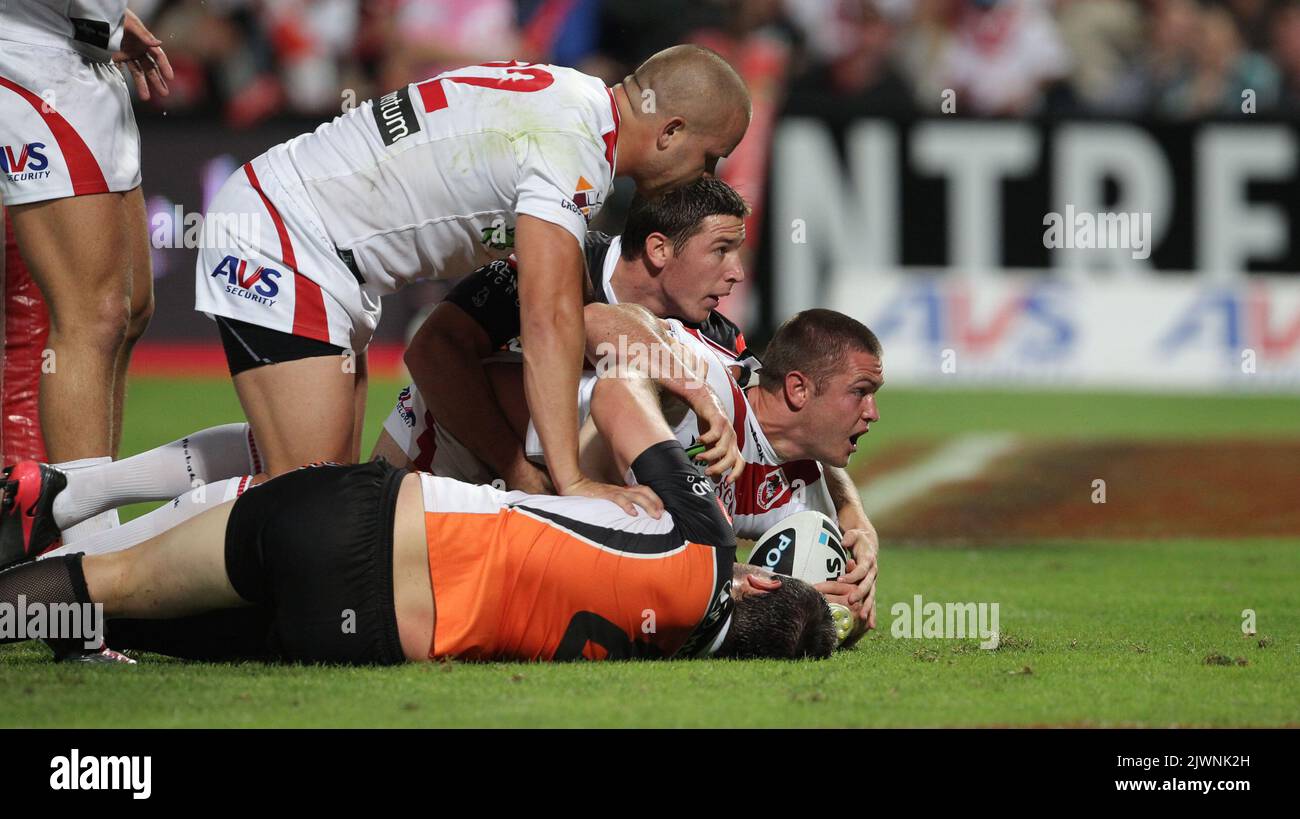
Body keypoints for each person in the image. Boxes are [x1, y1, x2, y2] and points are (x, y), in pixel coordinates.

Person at [195, 45, 752, 521]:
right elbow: (549, 318)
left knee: (328, 490)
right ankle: (111, 578)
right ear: (670, 131)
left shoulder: (574, 103)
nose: (709, 177)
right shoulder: (574, 145)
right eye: (711, 157)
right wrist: (570, 483)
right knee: (308, 505)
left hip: (315, 243)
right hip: (289, 237)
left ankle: (107, 496)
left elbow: (572, 303)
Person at [0, 360, 837, 664]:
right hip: (361, 639)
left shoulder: (708, 543)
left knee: (101, 580)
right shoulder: (665, 652)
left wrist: (687, 387)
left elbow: (618, 388)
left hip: (373, 520)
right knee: (114, 622)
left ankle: (65, 506)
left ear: (760, 586)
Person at [374, 176, 752, 493]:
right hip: (441, 461)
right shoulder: (554, 260)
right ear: (658, 249)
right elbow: (431, 351)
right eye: (721, 250)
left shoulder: (720, 340)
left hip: (561, 490)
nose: (737, 272)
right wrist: (518, 472)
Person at [0, 3, 170, 474]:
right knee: (92, 316)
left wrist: (107, 18)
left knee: (132, 309)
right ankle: (80, 538)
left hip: (80, 50)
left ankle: (93, 516)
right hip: (30, 61)